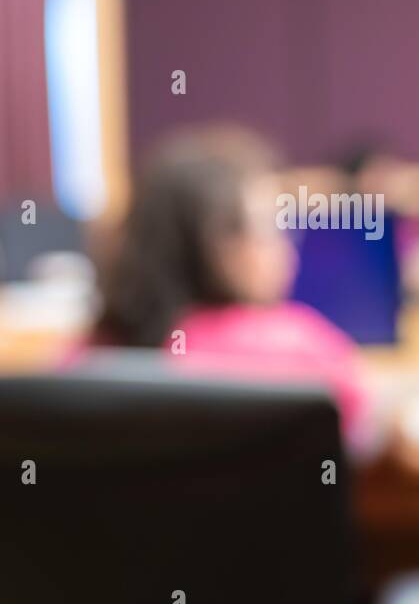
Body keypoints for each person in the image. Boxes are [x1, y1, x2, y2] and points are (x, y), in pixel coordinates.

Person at [81, 125, 367, 438]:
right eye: (272, 227)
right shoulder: (303, 349)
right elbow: (368, 424)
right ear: (221, 247)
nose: (286, 248)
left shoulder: (84, 364)